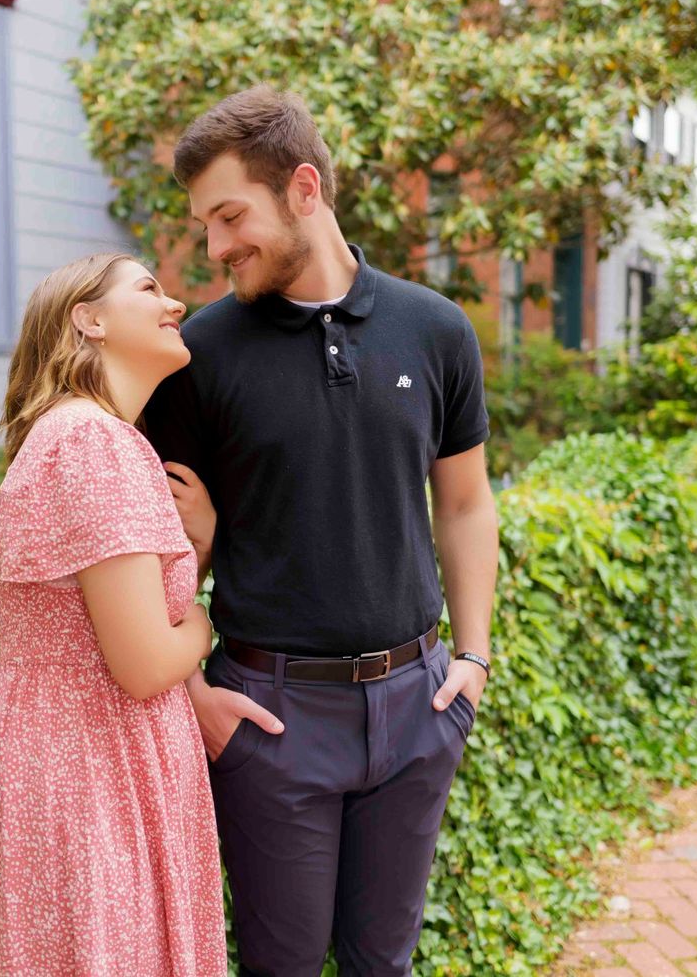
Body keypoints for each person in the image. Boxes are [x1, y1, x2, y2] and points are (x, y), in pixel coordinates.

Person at [145, 85, 500, 977]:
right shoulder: (198, 356)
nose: (217, 247)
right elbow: (157, 556)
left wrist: (475, 658)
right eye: (206, 227)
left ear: (305, 189)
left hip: (418, 703)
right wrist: (196, 702)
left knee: (386, 965)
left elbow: (464, 504)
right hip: (272, 716)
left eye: (231, 217)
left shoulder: (437, 330)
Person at [0, 253, 228, 977]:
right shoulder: (97, 444)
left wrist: (201, 544)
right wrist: (210, 622)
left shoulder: (68, 436)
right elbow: (146, 662)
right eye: (149, 287)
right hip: (91, 775)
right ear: (88, 320)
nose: (176, 303)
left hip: (55, 759)